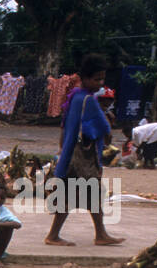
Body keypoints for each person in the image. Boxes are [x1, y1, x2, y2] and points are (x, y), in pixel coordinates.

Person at [46, 53, 123, 246]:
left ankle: (99, 234)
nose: (100, 83)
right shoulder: (88, 100)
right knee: (82, 193)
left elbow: (65, 126)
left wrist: (62, 149)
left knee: (88, 194)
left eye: (102, 78)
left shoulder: (74, 97)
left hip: (70, 155)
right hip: (83, 159)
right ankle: (55, 236)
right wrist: (107, 129)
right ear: (85, 78)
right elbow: (100, 128)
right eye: (97, 79)